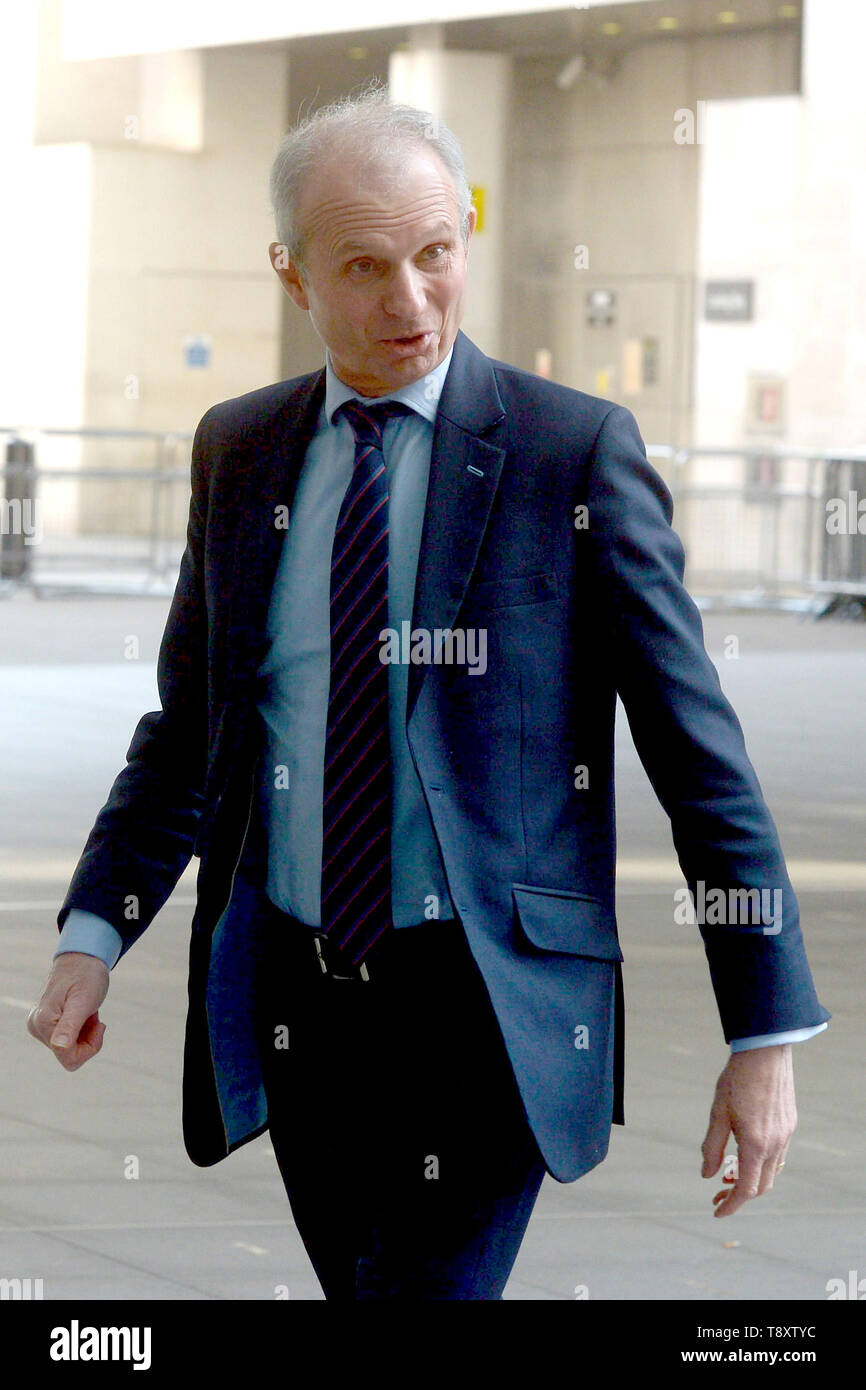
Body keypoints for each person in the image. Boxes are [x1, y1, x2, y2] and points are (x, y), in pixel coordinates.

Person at [27, 85, 829, 1301]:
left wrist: (762, 1030)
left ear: (463, 236)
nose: (408, 300)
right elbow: (189, 731)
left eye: (435, 254)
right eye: (362, 266)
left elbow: (697, 755)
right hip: (299, 1003)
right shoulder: (238, 452)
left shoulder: (571, 453)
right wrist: (96, 932)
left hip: (488, 1012)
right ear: (292, 275)